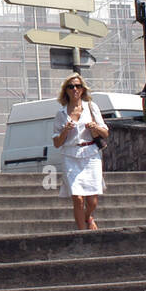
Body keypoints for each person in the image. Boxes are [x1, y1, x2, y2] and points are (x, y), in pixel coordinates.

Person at [52, 73, 109, 230]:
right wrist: (65, 130)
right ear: (66, 91)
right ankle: (82, 233)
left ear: (83, 89)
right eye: (71, 87)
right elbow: (56, 143)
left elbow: (105, 133)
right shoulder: (61, 114)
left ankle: (87, 216)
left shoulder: (91, 107)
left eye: (78, 86)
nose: (75, 89)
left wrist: (95, 127)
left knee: (92, 201)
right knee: (77, 198)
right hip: (70, 155)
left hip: (91, 154)